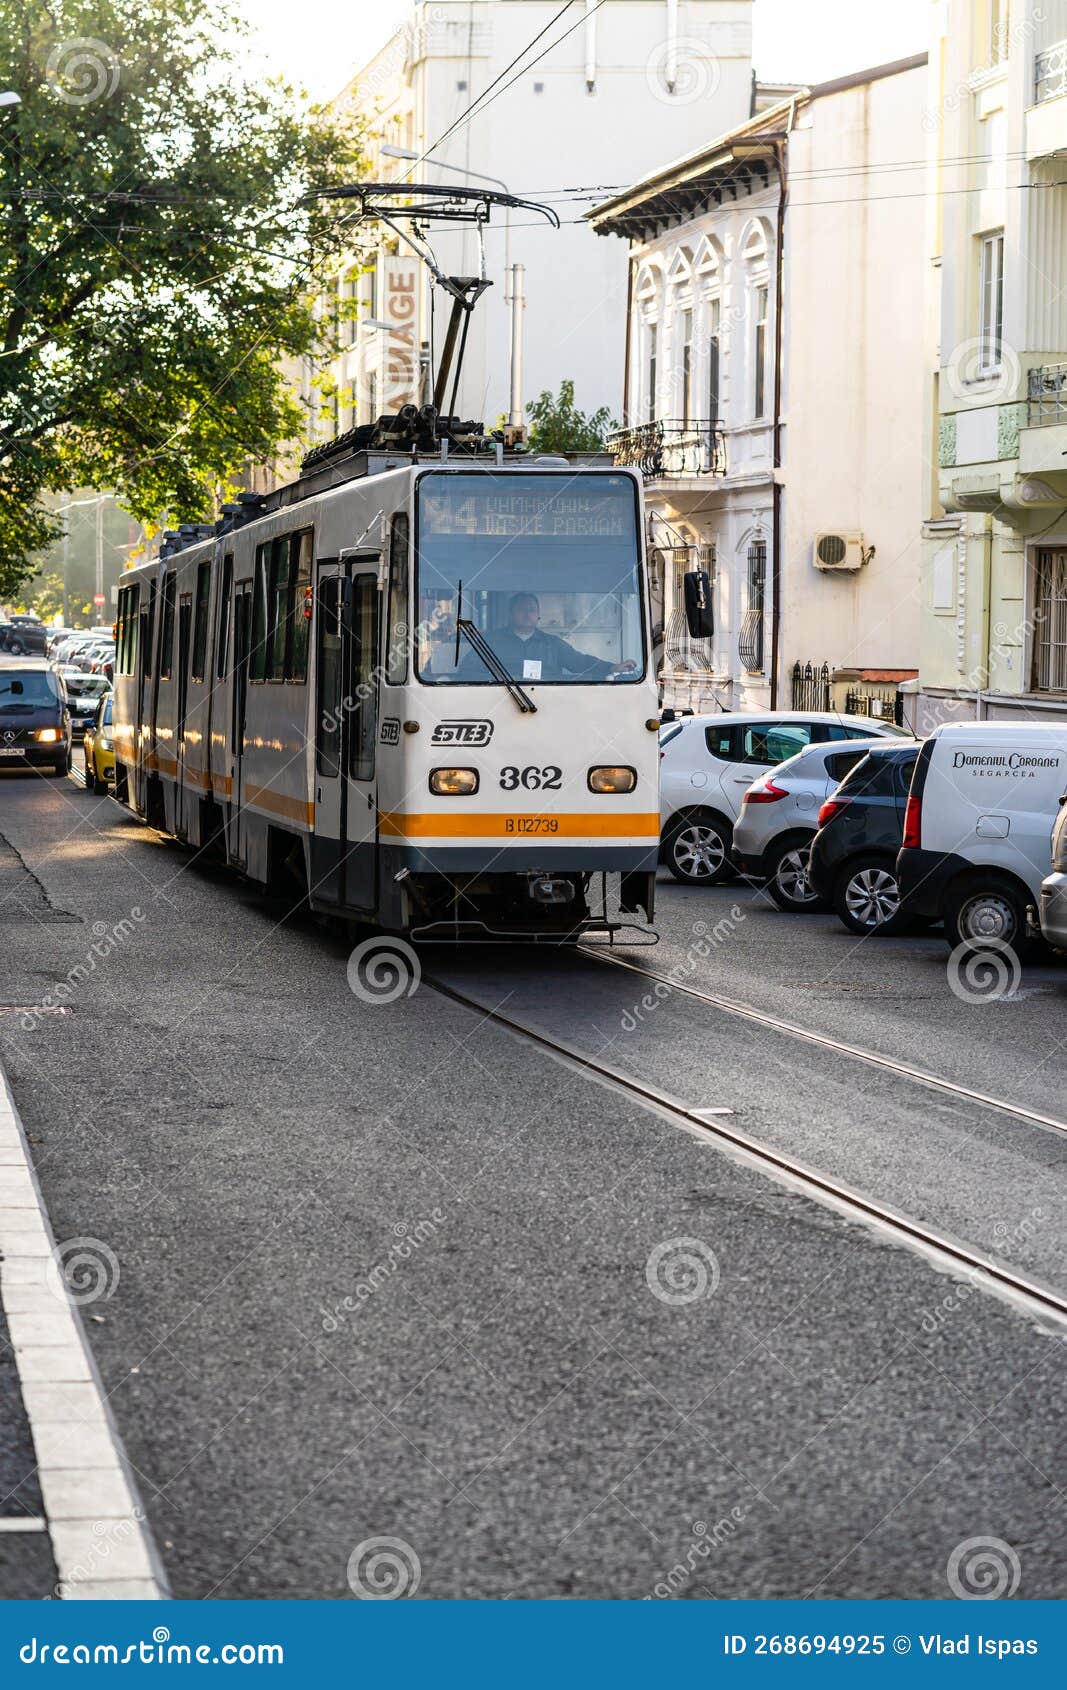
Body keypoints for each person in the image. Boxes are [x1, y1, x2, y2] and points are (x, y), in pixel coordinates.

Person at [456, 592, 637, 682]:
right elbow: (466, 672)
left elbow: (581, 662)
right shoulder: (491, 642)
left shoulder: (553, 645)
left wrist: (613, 667)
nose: (527, 614)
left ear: (538, 616)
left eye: (531, 610)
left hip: (550, 705)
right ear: (510, 615)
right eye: (521, 610)